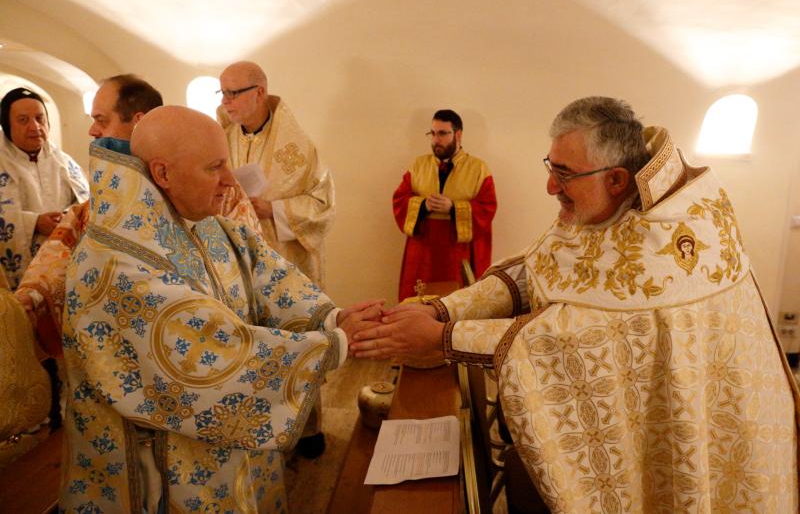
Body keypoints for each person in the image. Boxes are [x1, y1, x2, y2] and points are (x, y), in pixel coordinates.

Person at [352, 97, 800, 512]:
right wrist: (445, 309)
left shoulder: (667, 239)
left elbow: (574, 337)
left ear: (616, 178)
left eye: (563, 174)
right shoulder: (607, 202)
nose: (550, 186)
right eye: (551, 166)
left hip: (693, 424)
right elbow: (540, 266)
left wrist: (443, 338)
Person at [60, 106, 379, 513]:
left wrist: (333, 318)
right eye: (215, 167)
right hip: (156, 471)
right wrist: (332, 346)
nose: (231, 181)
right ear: (162, 174)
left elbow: (263, 272)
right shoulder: (118, 263)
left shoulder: (199, 220)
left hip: (222, 454)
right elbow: (209, 354)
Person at [14, 75, 259, 358]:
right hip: (120, 356)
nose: (93, 130)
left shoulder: (220, 189)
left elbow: (248, 263)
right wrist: (33, 295)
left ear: (139, 121)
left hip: (199, 347)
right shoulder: (100, 203)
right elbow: (62, 249)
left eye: (102, 120)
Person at [218, 61, 335, 457]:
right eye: (223, 93)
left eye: (234, 93)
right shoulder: (222, 136)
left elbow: (324, 204)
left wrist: (275, 210)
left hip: (287, 261)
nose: (227, 102)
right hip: (237, 260)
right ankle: (258, 430)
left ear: (259, 92)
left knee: (295, 340)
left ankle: (307, 429)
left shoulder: (299, 147)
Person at [392, 109, 496, 301]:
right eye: (432, 133)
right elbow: (399, 199)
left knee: (454, 305)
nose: (435, 139)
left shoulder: (478, 169)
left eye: (442, 133)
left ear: (458, 135)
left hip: (456, 251)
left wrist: (454, 208)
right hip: (422, 250)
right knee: (418, 304)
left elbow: (487, 207)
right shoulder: (418, 166)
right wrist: (423, 206)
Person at [0, 87, 89, 290]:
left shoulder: (64, 162)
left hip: (62, 263)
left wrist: (67, 218)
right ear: (7, 126)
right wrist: (34, 222)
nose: (35, 127)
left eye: (40, 118)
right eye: (23, 120)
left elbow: (85, 203)